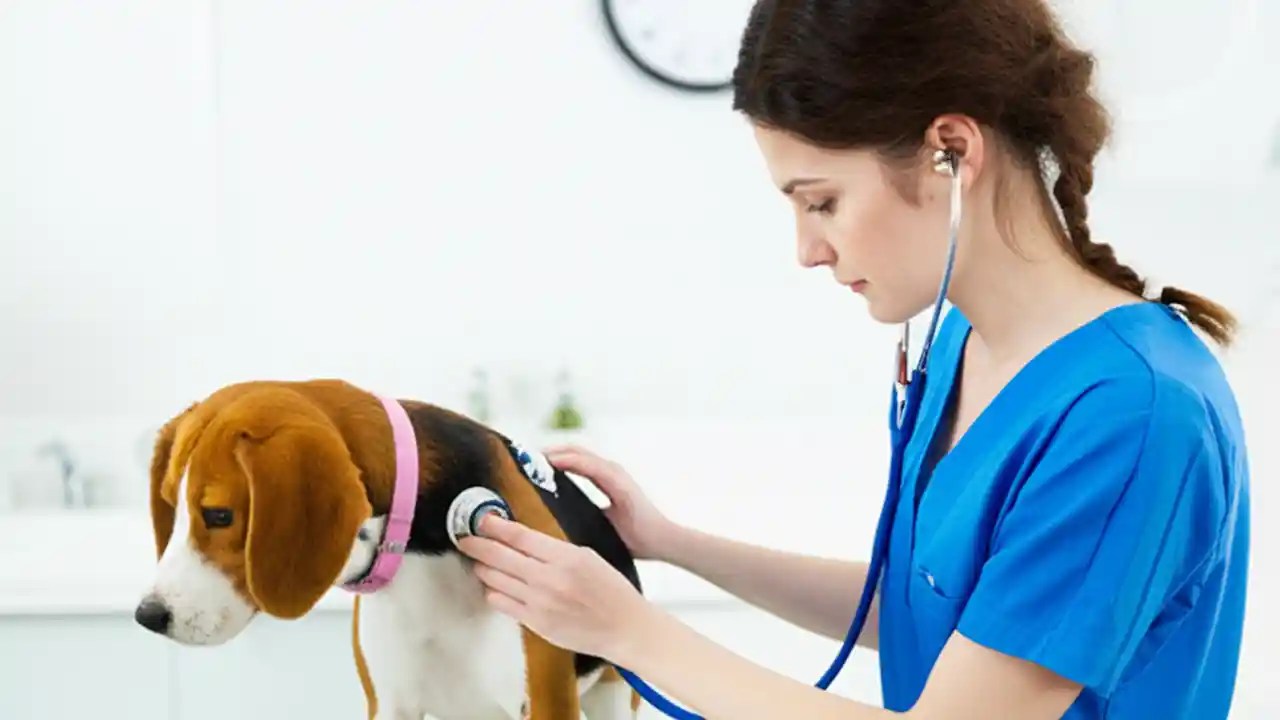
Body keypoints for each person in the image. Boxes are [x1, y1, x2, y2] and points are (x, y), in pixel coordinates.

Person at [457, 0, 1252, 717]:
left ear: (950, 151)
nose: (807, 250)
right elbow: (922, 612)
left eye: (822, 201)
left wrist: (627, 632)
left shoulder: (1131, 415)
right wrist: (672, 543)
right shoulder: (959, 346)